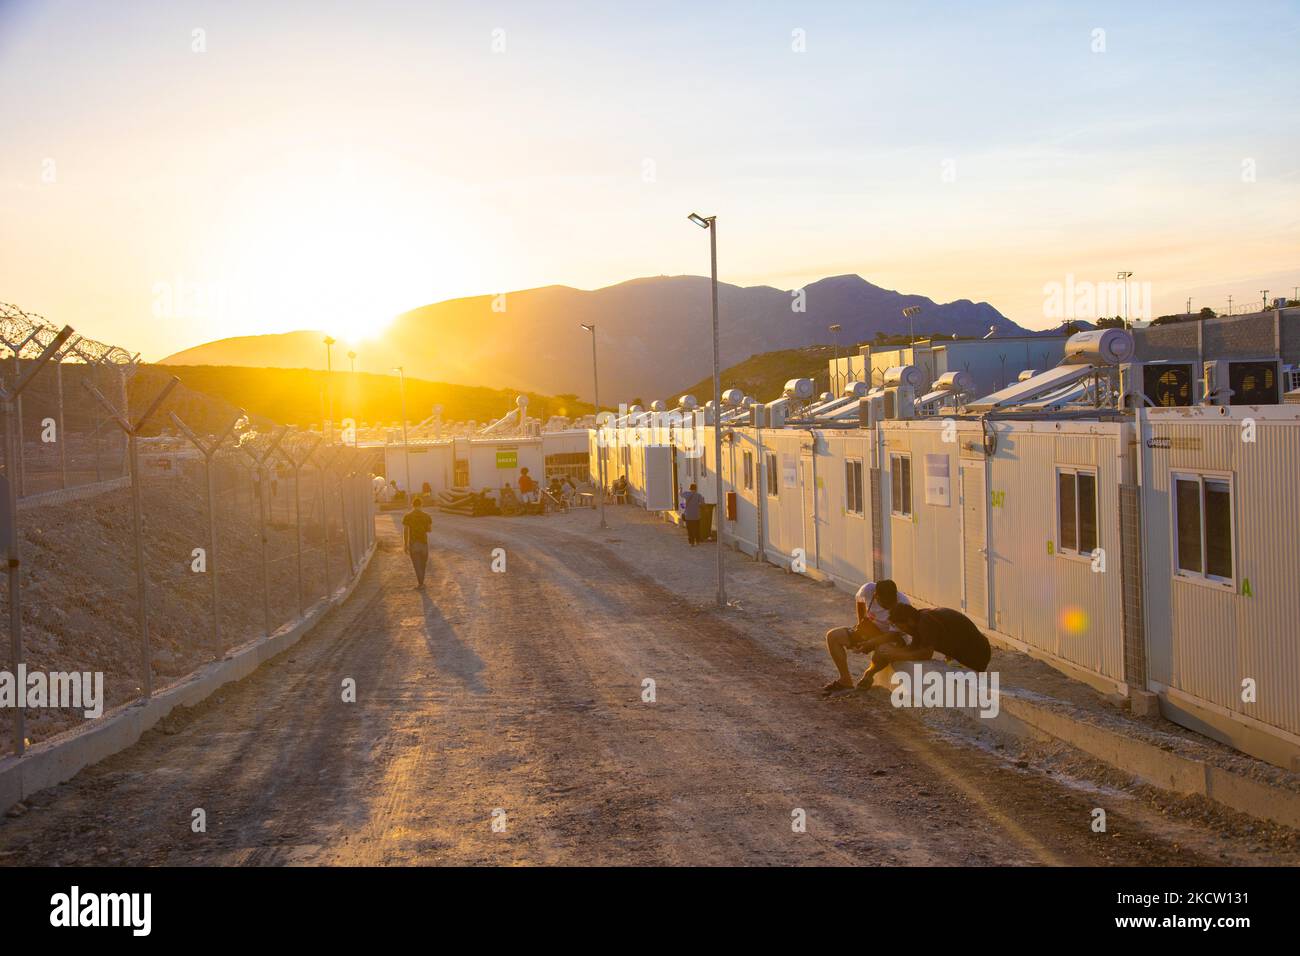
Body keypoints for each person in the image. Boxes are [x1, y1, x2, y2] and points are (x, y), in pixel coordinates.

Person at [822, 579, 913, 694]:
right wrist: (861, 627)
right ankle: (845, 681)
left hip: (893, 637)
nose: (889, 606)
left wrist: (870, 643)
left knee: (884, 650)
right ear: (876, 596)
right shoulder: (867, 589)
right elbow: (859, 601)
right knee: (833, 636)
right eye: (885, 603)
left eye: (891, 602)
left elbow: (893, 634)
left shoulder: (903, 602)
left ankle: (869, 674)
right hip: (872, 630)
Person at [886, 604, 992, 673]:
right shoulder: (919, 618)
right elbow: (914, 647)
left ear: (909, 621)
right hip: (970, 650)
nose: (902, 630)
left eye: (901, 626)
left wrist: (896, 655)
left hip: (976, 653)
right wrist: (892, 652)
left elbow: (925, 654)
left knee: (966, 682)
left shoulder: (925, 622)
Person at [402, 496, 433, 589]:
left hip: (413, 543)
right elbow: (429, 530)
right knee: (423, 564)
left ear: (412, 505)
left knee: (417, 565)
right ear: (421, 505)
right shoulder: (427, 516)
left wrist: (405, 544)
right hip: (424, 543)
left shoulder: (407, 516)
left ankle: (420, 583)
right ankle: (422, 583)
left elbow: (405, 531)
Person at [680, 482, 705, 546]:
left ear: (690, 488)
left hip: (688, 516)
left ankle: (691, 542)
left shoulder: (686, 494)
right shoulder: (698, 495)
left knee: (690, 530)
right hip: (696, 516)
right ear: (696, 488)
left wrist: (680, 488)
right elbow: (702, 504)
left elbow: (680, 494)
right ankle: (698, 541)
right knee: (697, 529)